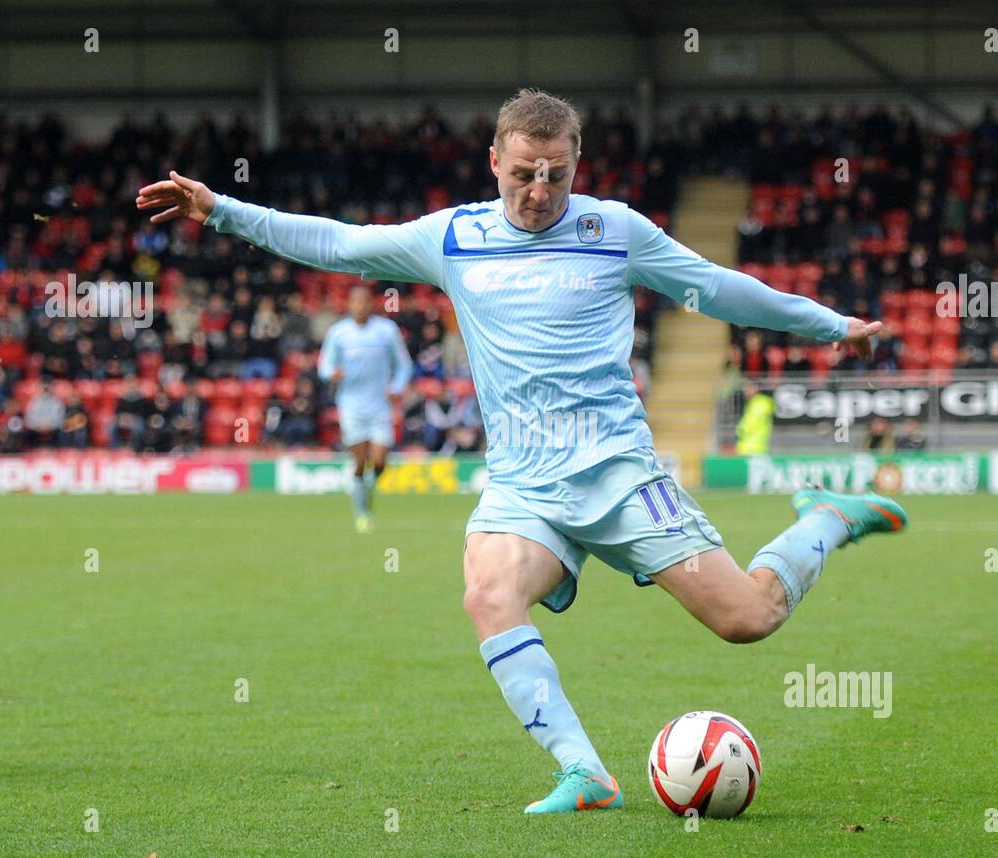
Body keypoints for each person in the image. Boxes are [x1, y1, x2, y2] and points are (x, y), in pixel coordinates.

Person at [136, 88, 907, 815]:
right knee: (487, 594)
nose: (539, 190)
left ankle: (828, 520)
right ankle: (584, 770)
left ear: (576, 164)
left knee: (748, 618)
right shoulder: (454, 238)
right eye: (524, 173)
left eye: (556, 174)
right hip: (523, 488)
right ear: (494, 162)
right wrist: (222, 210)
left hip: (618, 475)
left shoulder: (616, 232)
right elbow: (340, 244)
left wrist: (830, 324)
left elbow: (717, 287)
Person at [317, 284, 413, 533]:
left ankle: (366, 490)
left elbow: (403, 364)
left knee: (380, 461)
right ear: (349, 305)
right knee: (360, 463)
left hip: (380, 405)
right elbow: (324, 367)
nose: (360, 306)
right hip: (351, 406)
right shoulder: (339, 333)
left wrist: (397, 386)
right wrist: (332, 374)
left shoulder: (386, 331)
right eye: (355, 302)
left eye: (364, 301)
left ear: (371, 304)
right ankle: (362, 513)